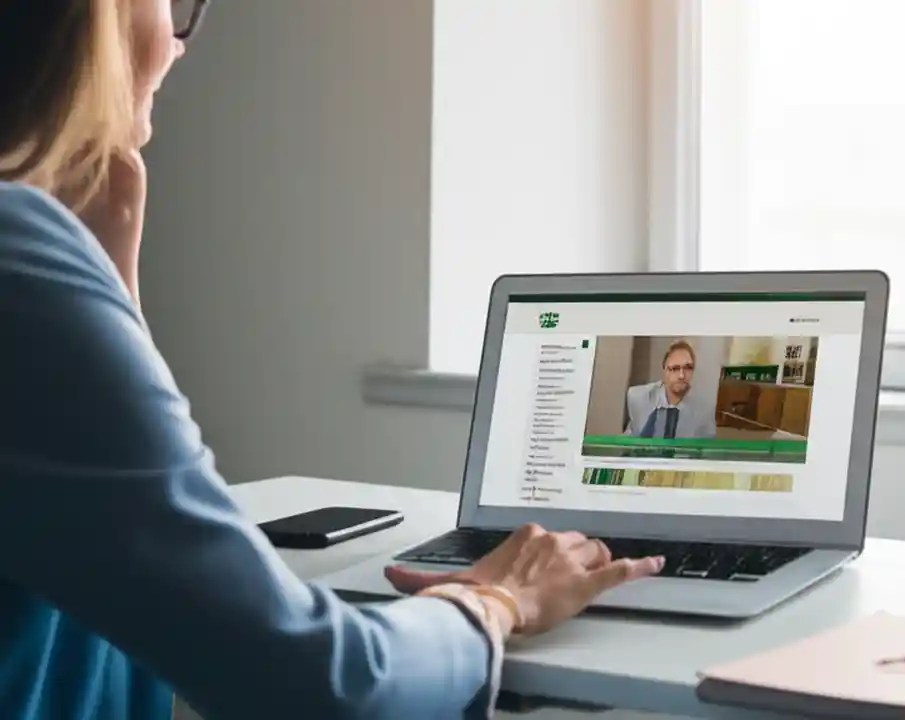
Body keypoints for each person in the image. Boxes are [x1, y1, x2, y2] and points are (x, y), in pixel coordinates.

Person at [0, 2, 662, 719]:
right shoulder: (17, 256)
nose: (178, 44)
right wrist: (497, 600)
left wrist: (113, 299)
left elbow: (120, 543)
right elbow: (322, 683)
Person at [624, 340, 718, 439]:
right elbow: (630, 438)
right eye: (675, 368)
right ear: (664, 370)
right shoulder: (639, 397)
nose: (682, 376)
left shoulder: (705, 409)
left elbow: (706, 450)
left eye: (688, 368)